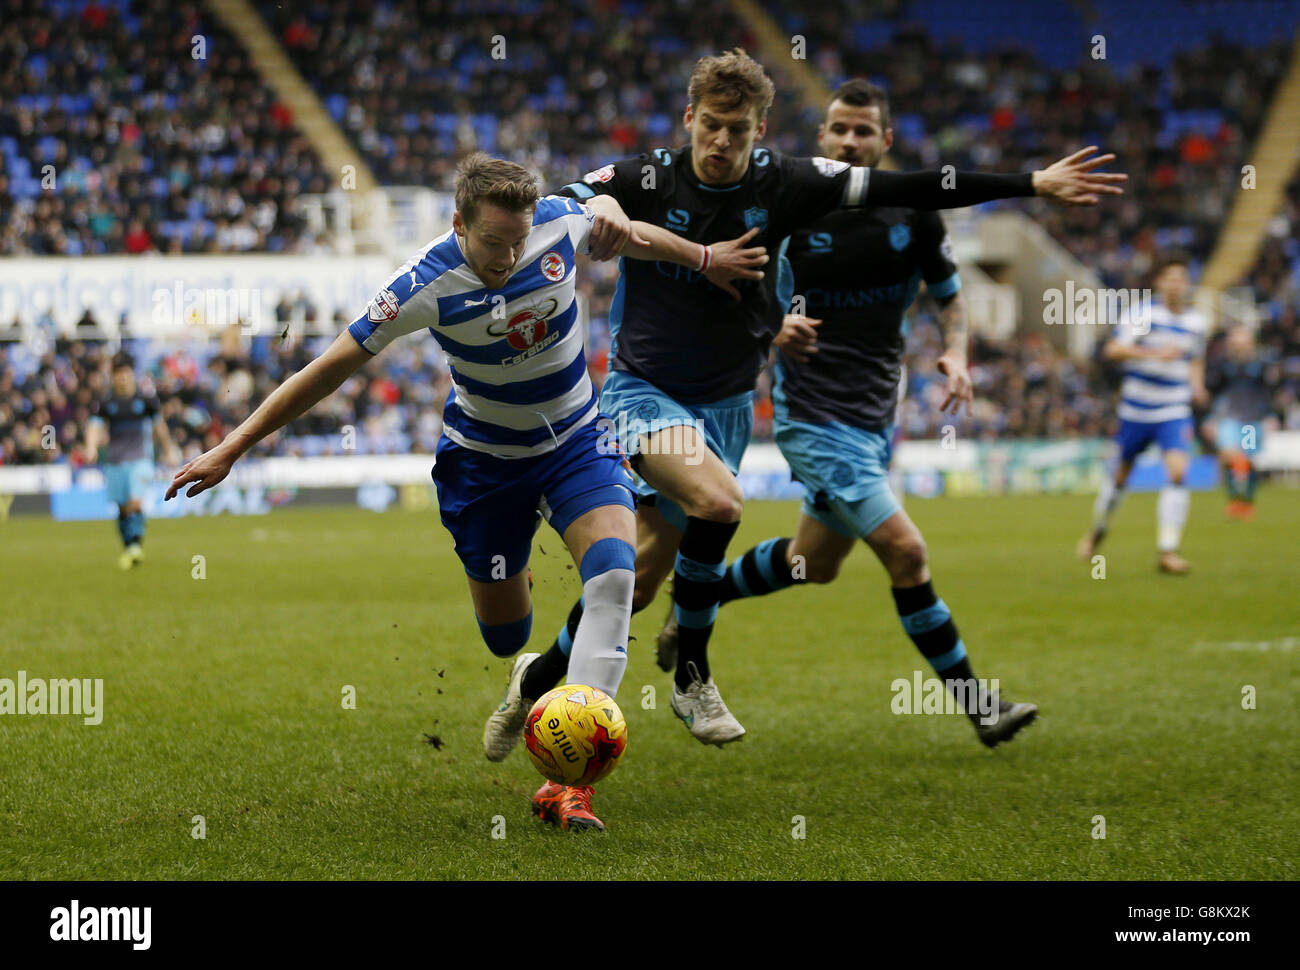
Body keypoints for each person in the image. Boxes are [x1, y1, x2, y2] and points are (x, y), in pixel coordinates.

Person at [511, 49, 1124, 748]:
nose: (720, 142)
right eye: (709, 125)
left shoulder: (796, 187)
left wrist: (1032, 183)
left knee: (657, 575)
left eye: (737, 131)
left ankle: (535, 683)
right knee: (743, 510)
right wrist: (611, 206)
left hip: (735, 404)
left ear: (761, 130)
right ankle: (695, 678)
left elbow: (924, 187)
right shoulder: (649, 175)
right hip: (653, 392)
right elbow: (566, 199)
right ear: (689, 119)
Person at [165, 153, 768, 833]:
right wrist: (231, 447)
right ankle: (530, 672)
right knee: (503, 632)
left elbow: (634, 235)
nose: (508, 256)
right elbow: (327, 368)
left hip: (576, 441)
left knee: (612, 578)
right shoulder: (421, 283)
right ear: (459, 223)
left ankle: (569, 787)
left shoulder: (560, 224)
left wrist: (707, 257)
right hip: (484, 465)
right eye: (492, 242)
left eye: (518, 241)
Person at [656, 79, 1038, 747]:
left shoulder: (914, 215)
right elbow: (732, 294)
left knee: (814, 562)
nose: (851, 141)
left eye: (865, 131)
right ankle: (980, 704)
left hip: (874, 420)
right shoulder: (791, 213)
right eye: (840, 130)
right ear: (822, 138)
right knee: (907, 551)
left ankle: (699, 600)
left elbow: (950, 296)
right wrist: (774, 329)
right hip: (813, 418)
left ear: (886, 141)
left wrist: (955, 353)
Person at [1078, 252, 1208, 573]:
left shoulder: (1197, 323)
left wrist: (1198, 385)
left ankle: (1168, 551)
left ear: (1187, 283)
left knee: (1177, 472)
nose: (1177, 284)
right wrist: (1152, 354)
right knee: (1121, 476)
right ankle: (1099, 529)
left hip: (1173, 407)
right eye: (1171, 277)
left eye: (1182, 277)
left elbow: (1195, 359)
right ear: (1160, 282)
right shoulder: (1142, 313)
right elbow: (1112, 349)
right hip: (1136, 408)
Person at [88, 354, 182, 570]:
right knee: (122, 508)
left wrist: (168, 450)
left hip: (140, 459)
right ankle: (129, 546)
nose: (122, 378)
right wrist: (91, 446)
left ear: (131, 375)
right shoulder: (106, 403)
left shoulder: (146, 401)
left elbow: (159, 427)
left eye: (125, 373)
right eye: (118, 374)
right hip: (115, 462)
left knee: (135, 502)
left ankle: (135, 546)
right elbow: (94, 426)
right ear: (113, 377)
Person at [1204, 324, 1272, 520]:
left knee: (1247, 460)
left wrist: (1270, 416)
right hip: (1228, 417)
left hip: (1251, 420)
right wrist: (1211, 419)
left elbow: (1266, 393)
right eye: (1235, 342)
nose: (1239, 346)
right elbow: (1213, 390)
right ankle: (1234, 498)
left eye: (1243, 342)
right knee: (1229, 456)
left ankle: (1247, 501)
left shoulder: (1260, 363)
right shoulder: (1221, 363)